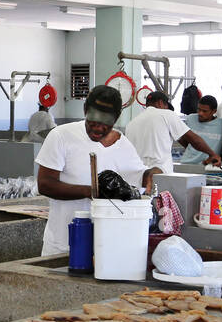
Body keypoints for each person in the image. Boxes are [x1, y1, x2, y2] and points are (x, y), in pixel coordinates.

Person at [35, 85, 158, 257]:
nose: (98, 128)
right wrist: (90, 191)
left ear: (116, 118)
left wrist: (152, 174)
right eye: (93, 121)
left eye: (106, 123)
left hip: (105, 248)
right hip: (62, 246)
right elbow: (45, 184)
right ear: (85, 110)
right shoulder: (61, 136)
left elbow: (140, 177)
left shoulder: (123, 145)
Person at [124, 89, 222, 174]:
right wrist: (212, 154)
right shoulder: (167, 114)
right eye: (166, 106)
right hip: (159, 173)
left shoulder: (131, 124)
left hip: (137, 174)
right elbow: (194, 140)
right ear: (160, 103)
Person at [178, 95, 222, 165]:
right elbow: (182, 139)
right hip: (186, 162)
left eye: (204, 111)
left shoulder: (221, 124)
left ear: (214, 111)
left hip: (207, 165)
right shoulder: (191, 119)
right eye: (199, 109)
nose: (200, 113)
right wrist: (193, 151)